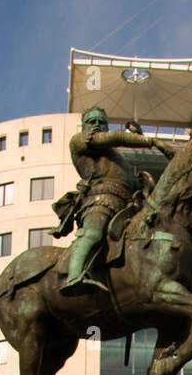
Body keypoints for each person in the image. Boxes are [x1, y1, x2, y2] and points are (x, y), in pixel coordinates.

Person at [57, 106, 174, 296]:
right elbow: (116, 137)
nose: (97, 125)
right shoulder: (79, 141)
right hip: (100, 201)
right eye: (92, 122)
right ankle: (74, 276)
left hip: (128, 206)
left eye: (101, 122)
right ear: (84, 126)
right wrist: (154, 142)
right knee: (94, 234)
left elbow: (131, 182)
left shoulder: (117, 158)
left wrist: (141, 183)